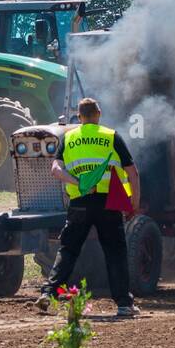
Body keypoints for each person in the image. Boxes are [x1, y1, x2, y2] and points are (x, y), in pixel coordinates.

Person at [36, 97, 141, 318]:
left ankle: (48, 293)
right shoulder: (111, 136)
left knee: (68, 249)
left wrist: (79, 183)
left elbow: (55, 170)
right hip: (109, 203)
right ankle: (123, 304)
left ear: (79, 116)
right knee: (115, 252)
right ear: (99, 114)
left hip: (80, 203)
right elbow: (132, 172)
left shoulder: (69, 137)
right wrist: (134, 201)